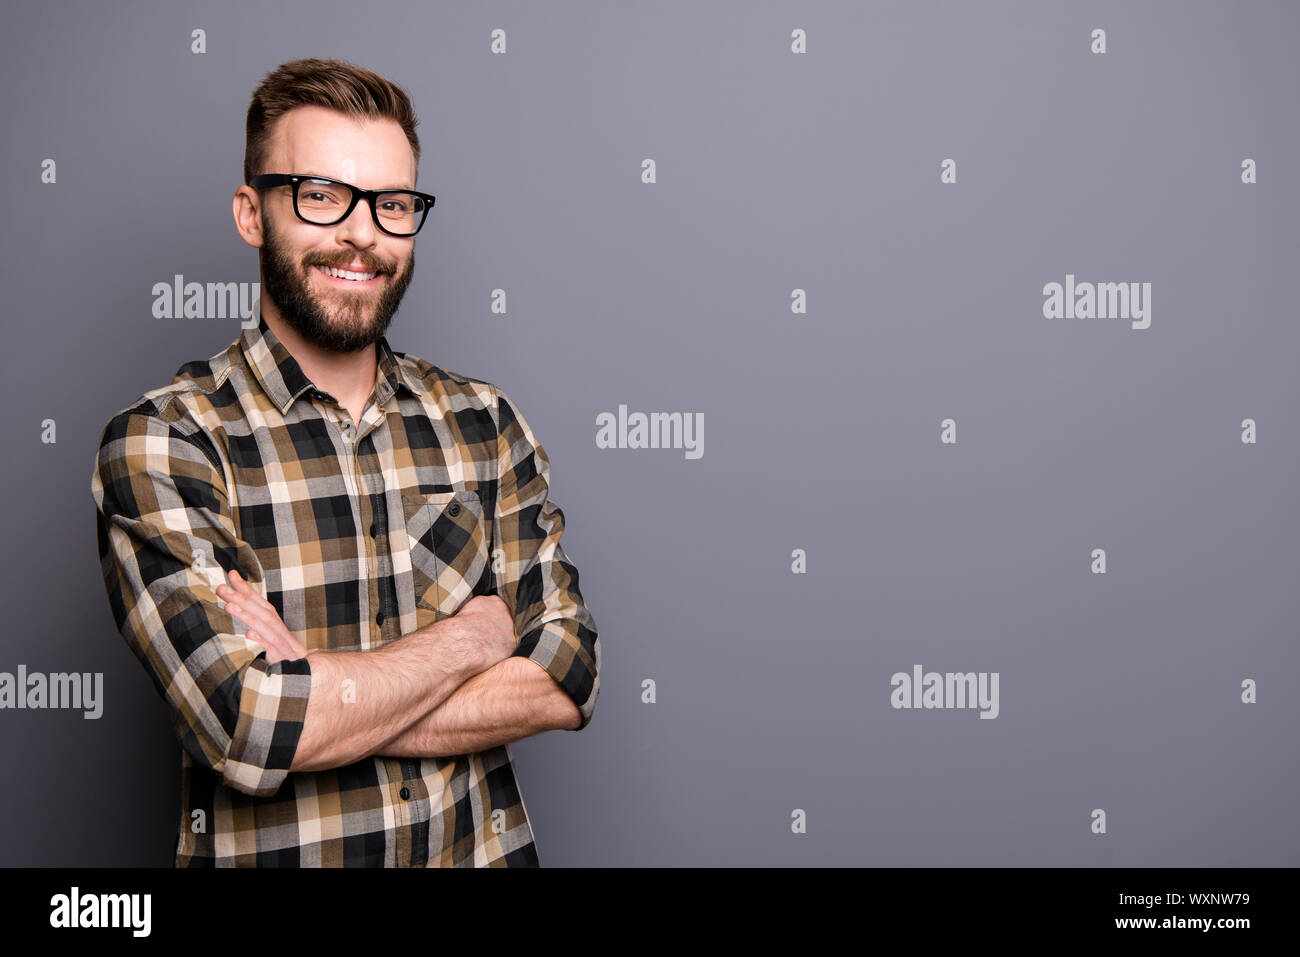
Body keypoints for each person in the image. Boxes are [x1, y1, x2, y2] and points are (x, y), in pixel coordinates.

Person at [89, 57, 601, 866]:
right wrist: (476, 637)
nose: (362, 233)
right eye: (322, 195)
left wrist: (322, 691)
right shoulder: (166, 442)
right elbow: (248, 722)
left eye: (391, 204)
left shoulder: (484, 421)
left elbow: (567, 673)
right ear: (251, 213)